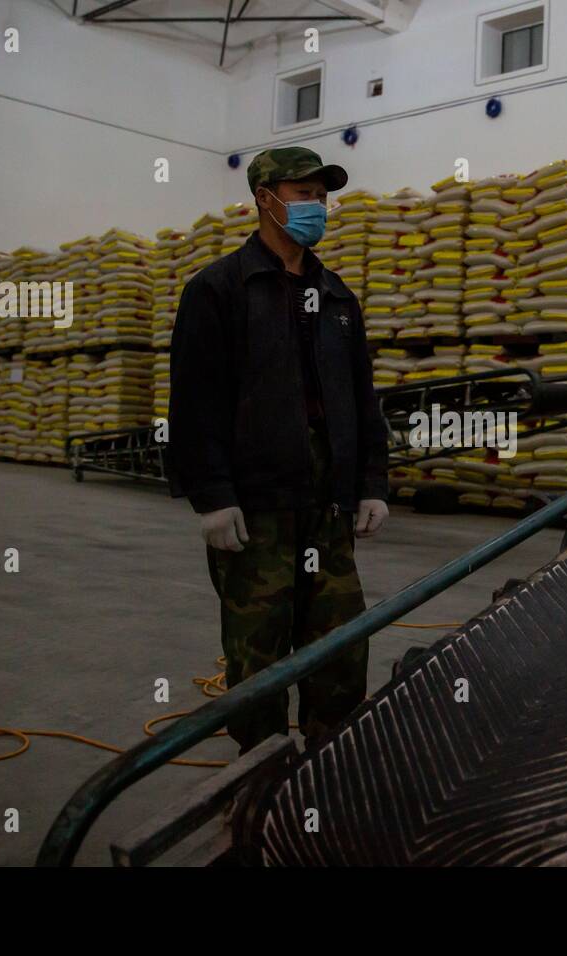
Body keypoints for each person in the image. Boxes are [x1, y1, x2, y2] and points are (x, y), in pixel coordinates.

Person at [168, 146, 389, 754]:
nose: (316, 206)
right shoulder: (219, 290)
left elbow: (361, 398)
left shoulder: (337, 298)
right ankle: (259, 776)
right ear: (265, 199)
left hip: (328, 499)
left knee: (340, 641)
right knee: (257, 649)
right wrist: (212, 498)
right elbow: (194, 403)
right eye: (303, 194)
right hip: (258, 498)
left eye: (322, 195)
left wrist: (371, 479)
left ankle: (329, 762)